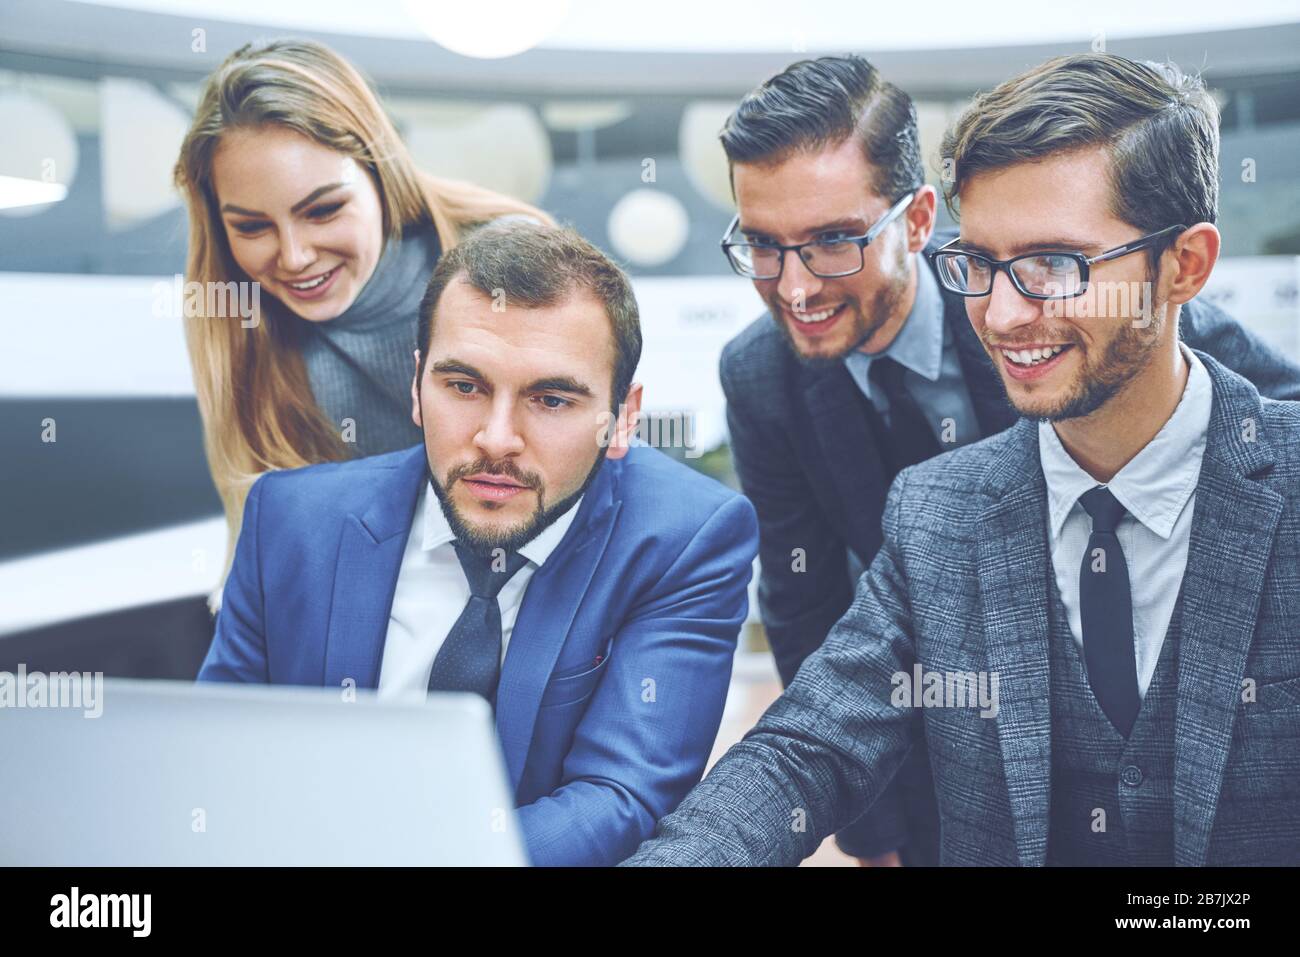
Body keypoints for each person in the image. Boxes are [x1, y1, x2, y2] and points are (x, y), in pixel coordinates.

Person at [627, 53, 1300, 866]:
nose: (1005, 315)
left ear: (1184, 267)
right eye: (979, 264)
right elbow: (807, 739)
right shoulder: (931, 511)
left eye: (1055, 264)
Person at [197, 221, 760, 867]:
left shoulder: (686, 537)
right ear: (417, 385)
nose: (496, 438)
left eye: (550, 399)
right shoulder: (290, 520)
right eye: (463, 386)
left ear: (624, 416)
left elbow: (621, 794)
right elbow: (225, 756)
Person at [173, 39, 550, 595]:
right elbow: (282, 569)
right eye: (252, 227)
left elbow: (601, 489)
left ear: (380, 174)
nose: (294, 256)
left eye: (323, 210)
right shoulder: (240, 322)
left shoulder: (510, 263)